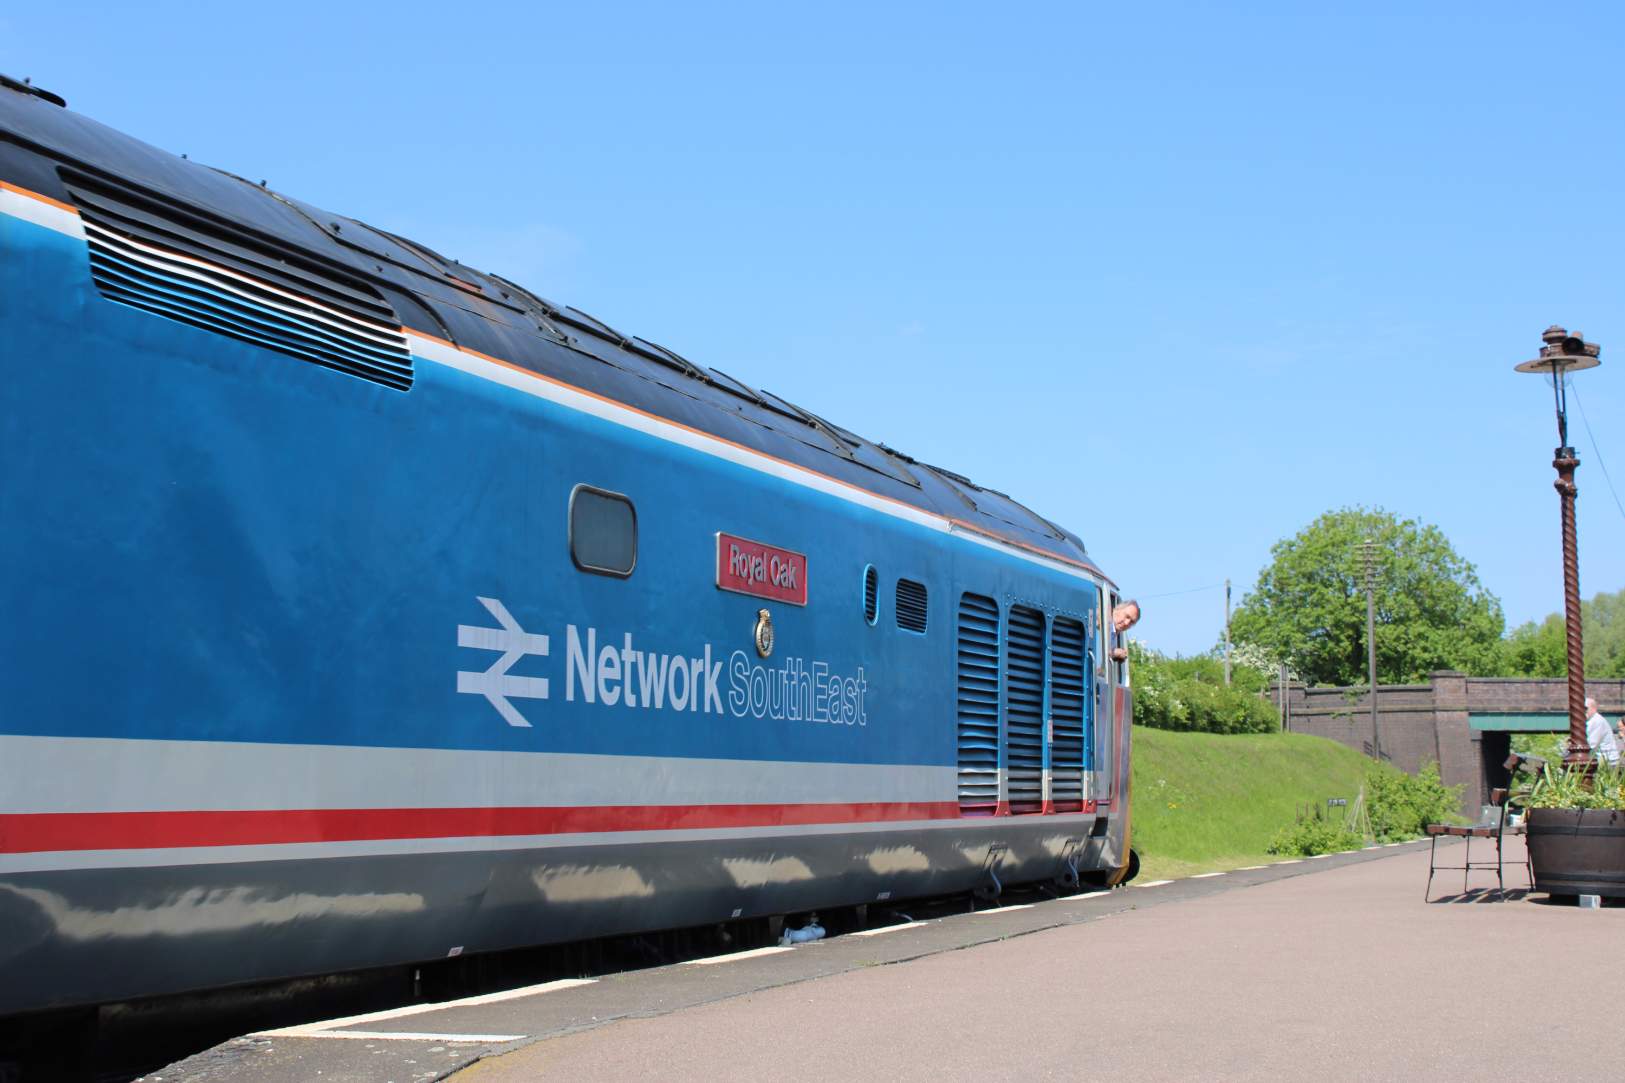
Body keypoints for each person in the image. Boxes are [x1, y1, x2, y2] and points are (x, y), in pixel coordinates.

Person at [1584, 696, 1620, 765]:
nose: (1583, 711)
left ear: (1594, 708)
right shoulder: (1591, 721)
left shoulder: (1597, 721)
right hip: (1603, 760)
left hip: (1609, 761)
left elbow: (1591, 744)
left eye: (1586, 708)